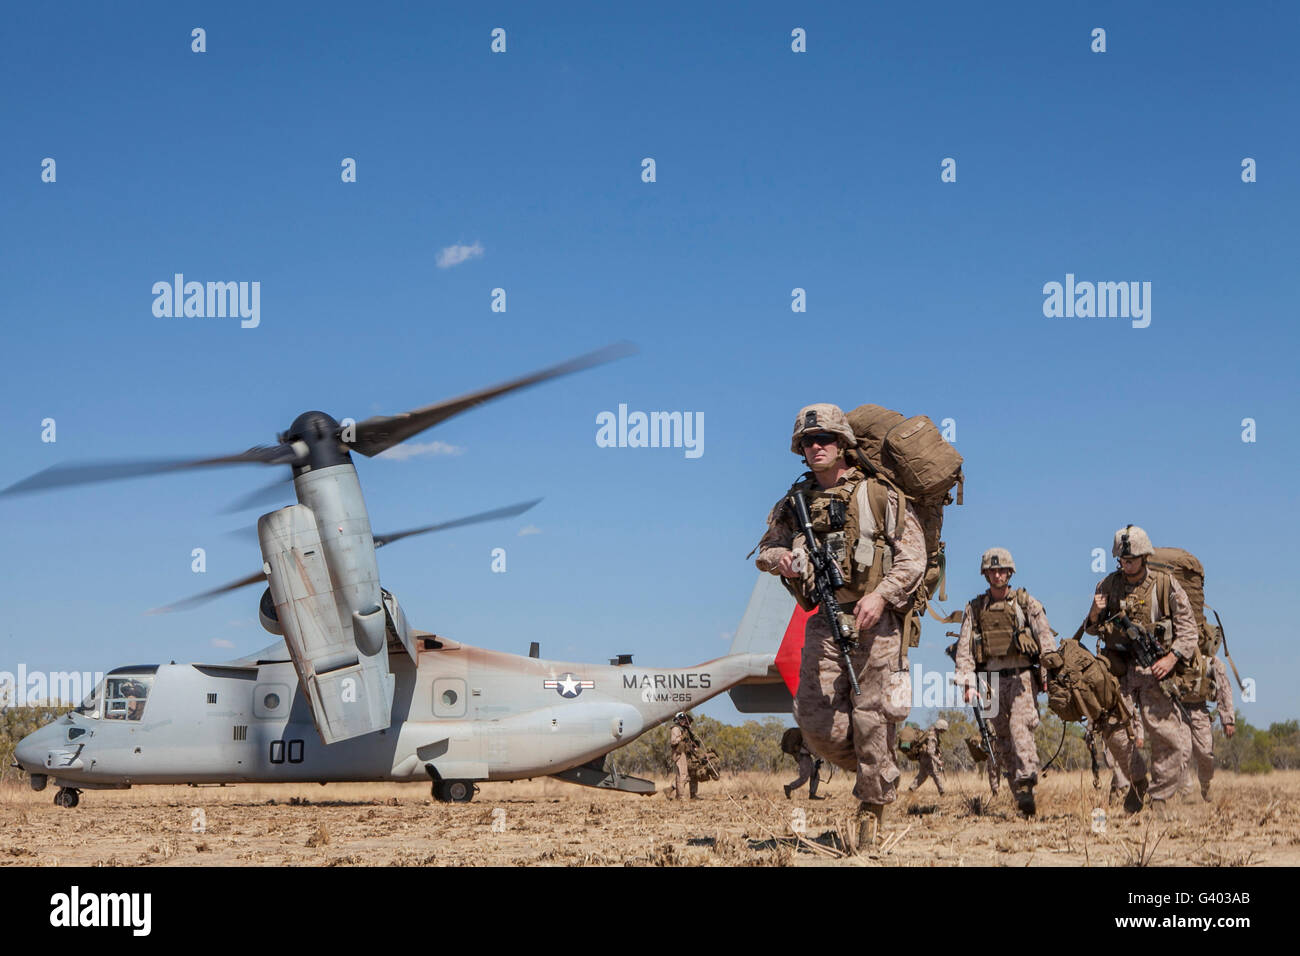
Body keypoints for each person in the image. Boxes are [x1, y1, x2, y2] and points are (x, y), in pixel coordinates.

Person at [755, 404, 925, 849]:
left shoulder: (877, 495)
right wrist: (785, 561)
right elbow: (763, 550)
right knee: (814, 722)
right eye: (808, 442)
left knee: (872, 717)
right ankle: (882, 764)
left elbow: (913, 558)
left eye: (825, 439)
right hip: (825, 622)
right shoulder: (797, 502)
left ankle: (872, 810)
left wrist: (880, 595)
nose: (816, 447)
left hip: (878, 622)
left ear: (843, 443)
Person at [1084, 525, 1196, 819]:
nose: (1127, 564)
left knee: (1166, 736)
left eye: (1132, 558)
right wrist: (1095, 613)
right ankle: (1137, 782)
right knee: (1112, 729)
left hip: (1154, 669)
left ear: (1145, 556)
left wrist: (1171, 659)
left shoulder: (1165, 584)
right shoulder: (1107, 585)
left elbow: (1189, 631)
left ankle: (1159, 798)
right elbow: (1092, 629)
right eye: (1122, 559)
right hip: (1119, 668)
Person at [954, 547, 1058, 816]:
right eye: (992, 570)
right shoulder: (975, 608)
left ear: (1010, 572)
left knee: (1019, 726)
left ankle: (1026, 778)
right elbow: (964, 648)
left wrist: (1047, 673)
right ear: (985, 574)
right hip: (988, 680)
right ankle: (1022, 798)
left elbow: (1045, 639)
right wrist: (967, 684)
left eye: (1001, 570)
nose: (997, 575)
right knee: (1002, 740)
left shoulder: (1026, 603)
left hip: (1021, 676)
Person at [1183, 655, 1236, 801]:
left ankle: (1205, 784)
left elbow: (1224, 689)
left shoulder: (1211, 661)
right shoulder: (1170, 654)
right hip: (1175, 709)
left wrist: (1227, 719)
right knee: (1181, 752)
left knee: (1206, 753)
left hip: (1199, 710)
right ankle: (1185, 792)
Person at [907, 718, 948, 795]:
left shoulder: (931, 732)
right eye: (944, 730)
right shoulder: (932, 737)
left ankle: (911, 789)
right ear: (941, 728)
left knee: (922, 775)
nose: (944, 732)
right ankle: (942, 792)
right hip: (927, 758)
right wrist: (938, 761)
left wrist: (938, 750)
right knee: (936, 775)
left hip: (923, 757)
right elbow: (930, 751)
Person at [782, 727, 825, 800]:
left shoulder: (807, 734)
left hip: (805, 757)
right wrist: (818, 757)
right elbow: (810, 747)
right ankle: (789, 787)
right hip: (803, 757)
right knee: (804, 777)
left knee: (815, 775)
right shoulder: (807, 736)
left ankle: (812, 794)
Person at [669, 712, 700, 800]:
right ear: (679, 720)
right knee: (682, 775)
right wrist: (681, 737)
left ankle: (680, 795)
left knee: (686, 774)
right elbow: (673, 741)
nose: (686, 722)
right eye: (684, 720)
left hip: (685, 753)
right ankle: (681, 796)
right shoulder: (676, 729)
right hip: (679, 753)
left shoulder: (685, 730)